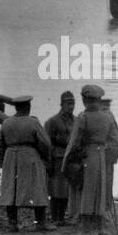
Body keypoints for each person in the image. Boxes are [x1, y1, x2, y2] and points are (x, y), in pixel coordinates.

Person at [62, 84, 118, 235]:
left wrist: (67, 162)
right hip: (102, 157)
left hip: (87, 157)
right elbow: (117, 140)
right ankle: (100, 228)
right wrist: (109, 157)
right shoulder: (108, 117)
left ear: (85, 100)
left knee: (87, 191)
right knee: (100, 190)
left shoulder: (83, 118)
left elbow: (74, 142)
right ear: (99, 99)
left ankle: (86, 230)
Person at [0, 96, 53, 232]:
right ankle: (40, 222)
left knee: (11, 189)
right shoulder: (33, 122)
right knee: (37, 187)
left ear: (16, 108)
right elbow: (45, 143)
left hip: (10, 156)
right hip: (29, 156)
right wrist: (45, 159)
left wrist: (3, 162)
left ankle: (12, 223)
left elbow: (0, 145)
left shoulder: (6, 123)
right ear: (28, 107)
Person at [43, 92, 76, 225]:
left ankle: (61, 217)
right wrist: (48, 162)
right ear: (62, 104)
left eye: (73, 104)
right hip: (57, 159)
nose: (71, 107)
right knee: (56, 189)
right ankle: (55, 217)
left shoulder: (76, 120)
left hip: (70, 159)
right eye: (68, 104)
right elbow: (46, 143)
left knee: (67, 189)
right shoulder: (52, 121)